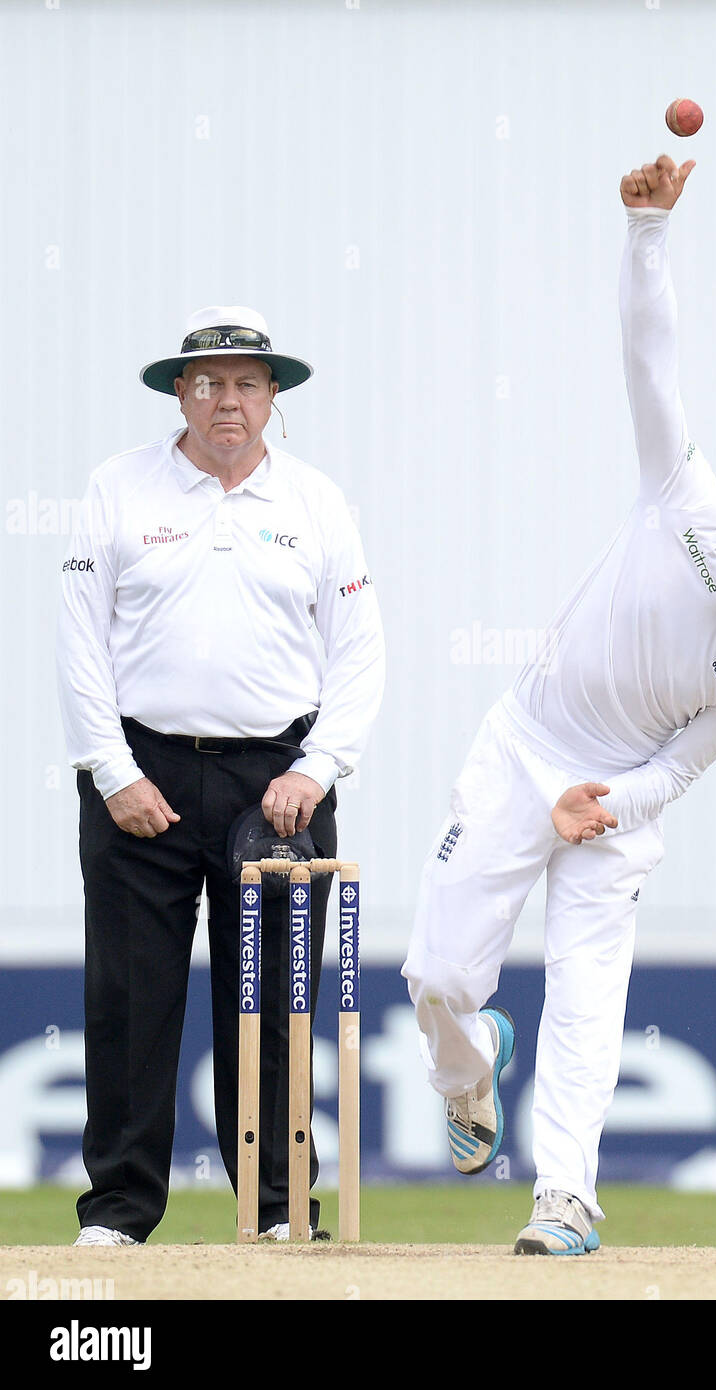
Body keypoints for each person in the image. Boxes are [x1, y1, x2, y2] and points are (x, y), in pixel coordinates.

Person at [402, 156, 716, 1255]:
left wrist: (605, 807)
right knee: (437, 978)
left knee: (588, 996)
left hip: (616, 810)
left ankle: (565, 1197)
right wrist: (647, 230)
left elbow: (677, 771)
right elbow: (649, 357)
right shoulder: (688, 498)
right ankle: (468, 1075)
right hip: (523, 745)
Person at [57, 307, 385, 1245]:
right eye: (207, 382)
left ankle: (278, 1211)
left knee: (280, 1006)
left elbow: (360, 652)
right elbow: (79, 642)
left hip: (278, 781)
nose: (226, 401)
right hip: (140, 771)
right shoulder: (118, 488)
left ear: (275, 397)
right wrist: (113, 772)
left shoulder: (316, 502)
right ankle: (118, 1211)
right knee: (130, 1000)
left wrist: (317, 769)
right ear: (178, 392)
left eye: (246, 383)